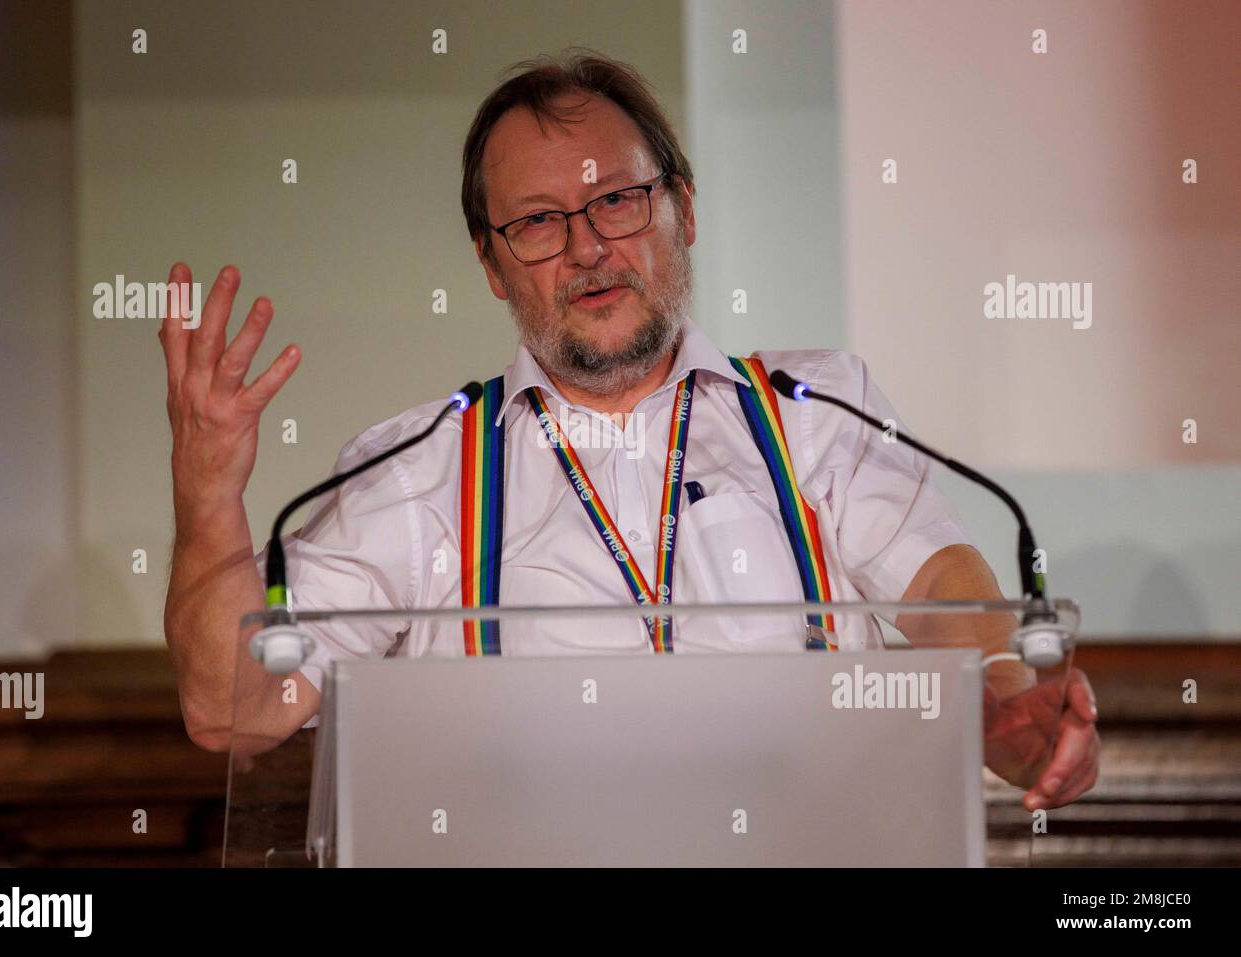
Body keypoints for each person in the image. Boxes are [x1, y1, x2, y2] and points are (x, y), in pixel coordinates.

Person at [160, 49, 1098, 809]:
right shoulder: (418, 469)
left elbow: (940, 583)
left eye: (615, 199)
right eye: (536, 221)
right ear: (492, 266)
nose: (585, 246)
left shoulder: (815, 412)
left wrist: (1007, 697)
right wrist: (208, 493)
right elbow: (230, 708)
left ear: (682, 208)